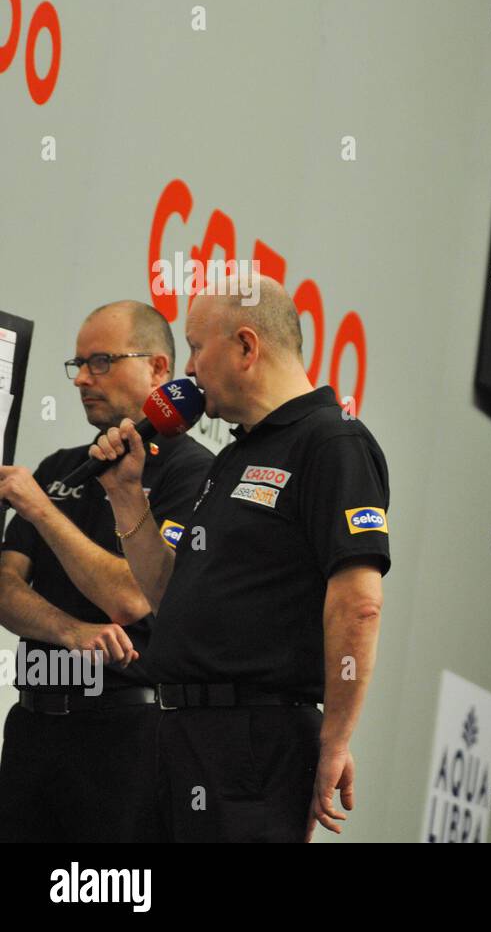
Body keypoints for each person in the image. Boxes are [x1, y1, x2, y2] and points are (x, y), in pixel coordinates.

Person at [89, 275, 391, 842]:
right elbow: (169, 597)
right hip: (174, 734)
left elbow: (360, 605)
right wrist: (125, 493)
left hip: (255, 744)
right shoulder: (233, 455)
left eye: (198, 347)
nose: (191, 370)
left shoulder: (332, 443)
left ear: (247, 347)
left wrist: (335, 741)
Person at [0, 301, 213, 841]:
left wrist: (42, 510)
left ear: (159, 369)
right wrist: (70, 631)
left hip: (123, 734)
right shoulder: (59, 468)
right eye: (78, 365)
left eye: (100, 361)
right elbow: (4, 587)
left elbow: (131, 597)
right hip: (32, 723)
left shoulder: (193, 476)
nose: (83, 379)